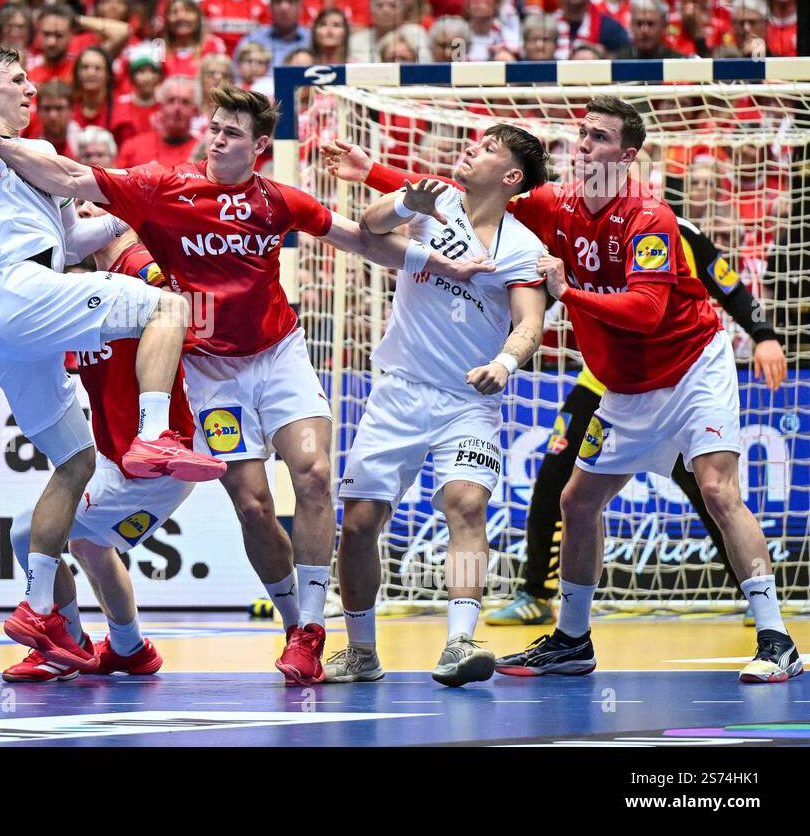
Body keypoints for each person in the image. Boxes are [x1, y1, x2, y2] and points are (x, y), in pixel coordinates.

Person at [0, 83, 494, 684]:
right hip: (211, 371)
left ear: (260, 146)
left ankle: (312, 631)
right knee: (252, 505)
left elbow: (359, 239)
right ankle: (284, 622)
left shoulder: (277, 201)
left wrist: (447, 266)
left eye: (233, 133)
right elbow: (69, 176)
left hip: (278, 352)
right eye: (214, 128)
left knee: (315, 474)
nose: (217, 140)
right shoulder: (164, 187)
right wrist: (2, 142)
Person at [0, 41, 226, 672]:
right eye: (18, 80)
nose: (33, 89)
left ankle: (40, 611)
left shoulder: (42, 155)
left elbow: (71, 237)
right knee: (166, 310)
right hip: (15, 291)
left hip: (16, 314)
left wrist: (129, 209)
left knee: (77, 461)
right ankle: (155, 434)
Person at [496, 96, 801, 684]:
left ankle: (776, 638)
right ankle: (571, 638)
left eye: (600, 138)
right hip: (622, 386)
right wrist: (376, 173)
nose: (584, 145)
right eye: (582, 134)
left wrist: (567, 294)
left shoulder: (651, 217)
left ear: (627, 155)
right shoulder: (553, 203)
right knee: (576, 500)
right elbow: (470, 199)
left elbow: (643, 311)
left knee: (716, 489)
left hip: (692, 369)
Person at [321, 128, 551, 685]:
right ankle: (361, 649)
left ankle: (460, 641)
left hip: (467, 400)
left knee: (467, 506)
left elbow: (530, 323)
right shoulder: (437, 200)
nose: (471, 147)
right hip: (399, 389)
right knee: (358, 524)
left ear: (511, 177)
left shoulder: (521, 247)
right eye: (472, 141)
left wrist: (505, 363)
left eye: (488, 148)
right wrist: (404, 201)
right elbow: (372, 227)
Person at [490, 215, 789, 627]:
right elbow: (546, 298)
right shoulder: (581, 233)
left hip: (679, 384)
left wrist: (765, 335)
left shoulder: (680, 232)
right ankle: (537, 595)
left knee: (714, 493)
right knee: (559, 483)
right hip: (605, 385)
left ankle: (758, 600)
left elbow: (730, 286)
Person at [5, 209, 194, 681]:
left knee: (28, 532)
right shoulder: (86, 288)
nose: (77, 216)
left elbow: (185, 308)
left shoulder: (141, 269)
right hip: (117, 455)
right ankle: (130, 648)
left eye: (90, 208)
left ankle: (61, 643)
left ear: (120, 219)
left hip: (156, 460)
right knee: (89, 545)